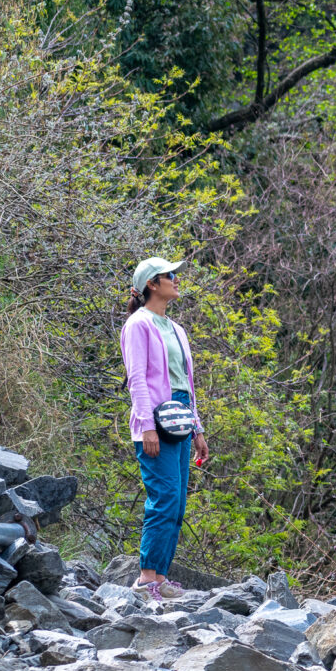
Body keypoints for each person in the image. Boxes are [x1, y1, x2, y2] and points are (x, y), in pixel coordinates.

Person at [120, 257, 209, 601]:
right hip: (155, 423)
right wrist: (147, 426)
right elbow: (137, 379)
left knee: (178, 503)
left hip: (181, 422)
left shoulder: (177, 329)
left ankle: (161, 577)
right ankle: (146, 580)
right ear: (152, 284)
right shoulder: (138, 324)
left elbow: (186, 383)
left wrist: (197, 429)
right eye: (169, 275)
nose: (176, 279)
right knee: (164, 498)